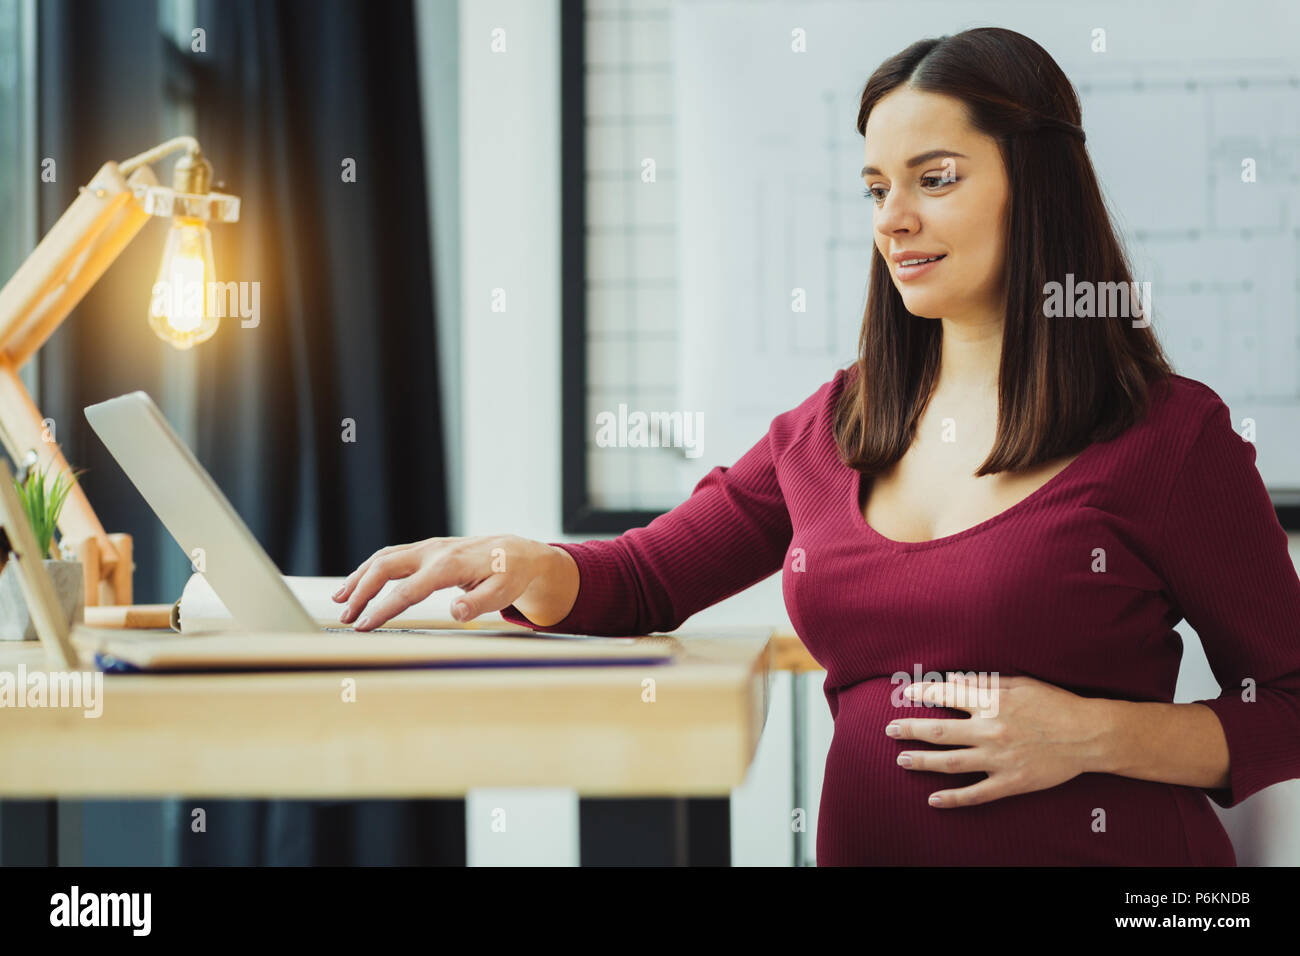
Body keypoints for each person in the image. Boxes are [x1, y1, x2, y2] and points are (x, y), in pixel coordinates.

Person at [334, 27, 1300, 866]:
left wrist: (1091, 735)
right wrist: (513, 559)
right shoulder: (831, 429)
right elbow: (642, 580)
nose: (894, 218)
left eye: (936, 179)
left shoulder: (1171, 440)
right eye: (878, 186)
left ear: (1036, 188)